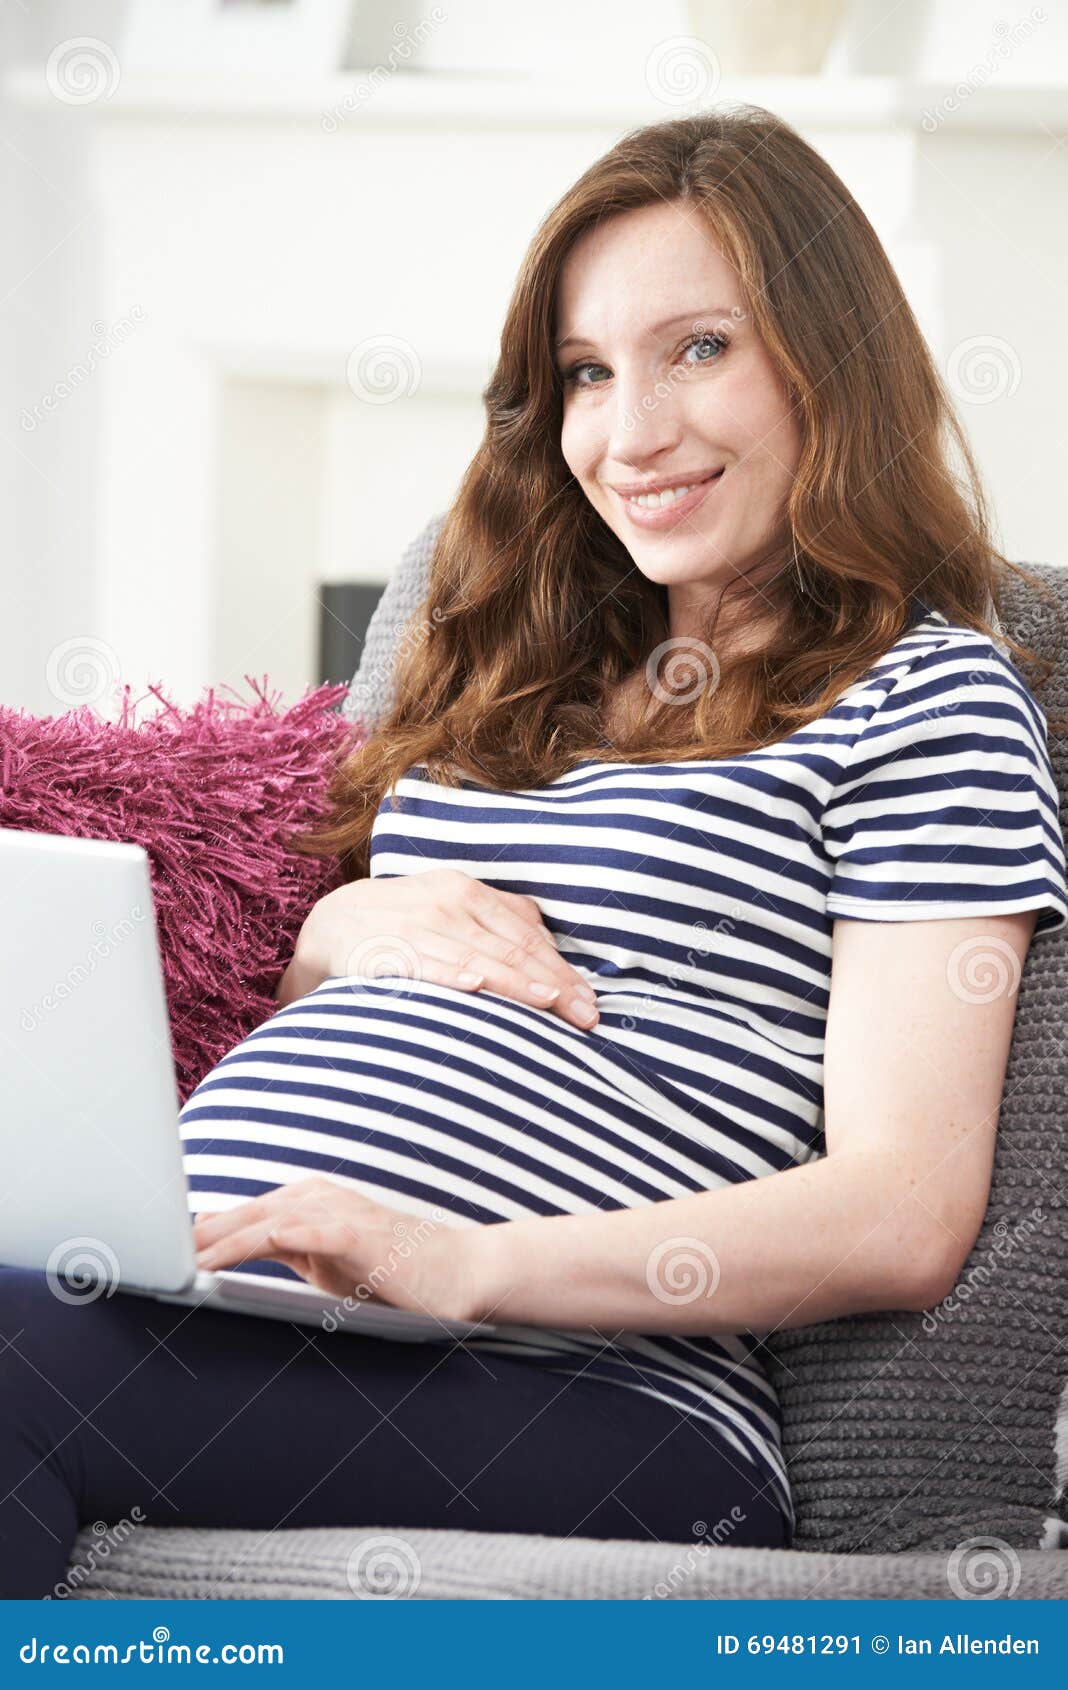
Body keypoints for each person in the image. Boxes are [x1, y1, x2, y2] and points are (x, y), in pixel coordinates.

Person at [3, 106, 1066, 1601]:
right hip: (217, 1300)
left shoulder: (926, 698)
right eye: (586, 372)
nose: (631, 435)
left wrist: (459, 1263)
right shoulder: (509, 659)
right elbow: (370, 985)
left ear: (832, 365)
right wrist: (338, 936)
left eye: (701, 349)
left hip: (600, 1393)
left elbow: (903, 1213)